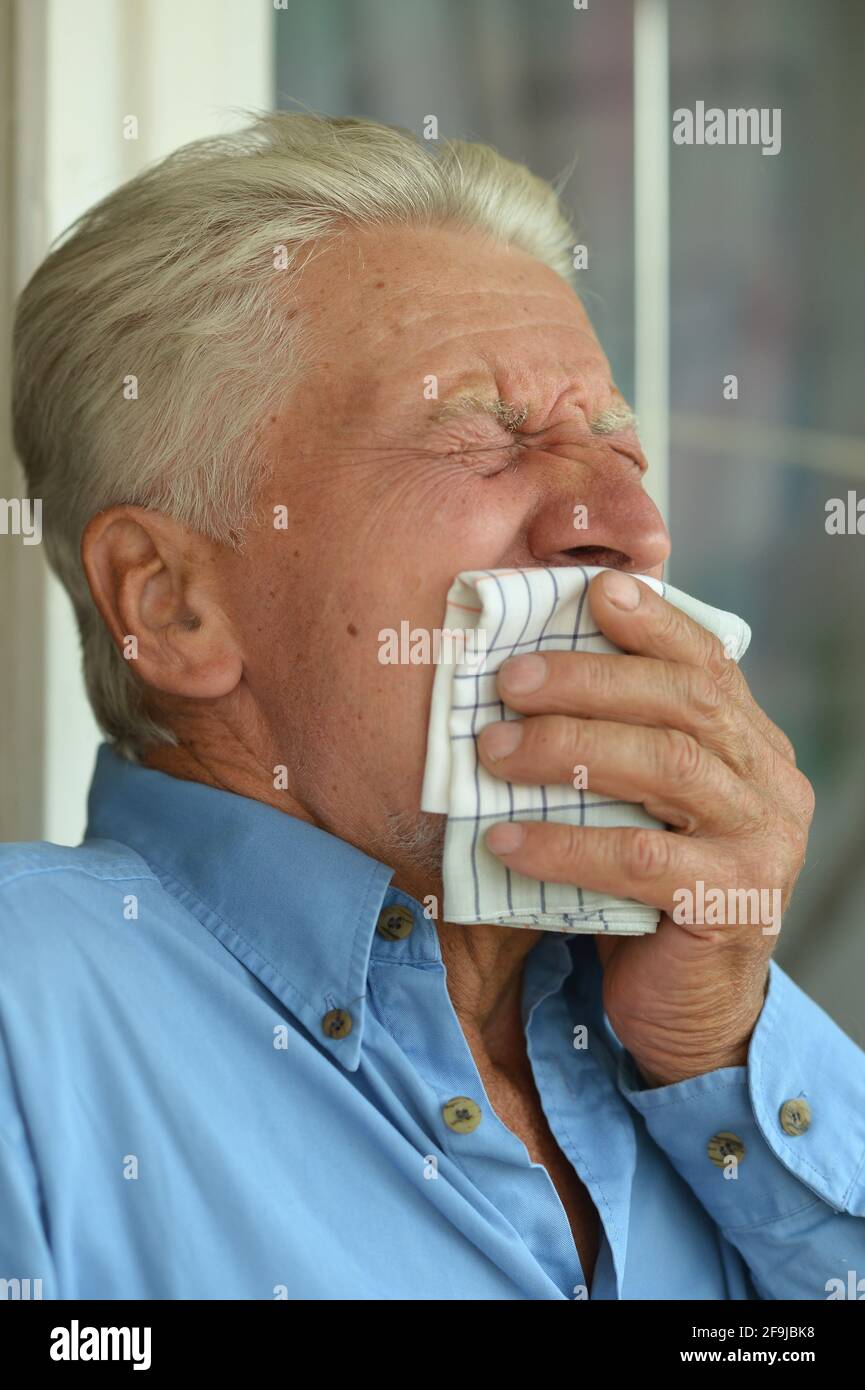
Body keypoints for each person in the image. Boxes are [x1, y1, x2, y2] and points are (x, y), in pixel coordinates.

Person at [3, 113, 862, 1300]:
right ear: (175, 602)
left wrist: (725, 1043)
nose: (630, 529)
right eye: (488, 438)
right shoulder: (26, 1014)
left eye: (618, 444)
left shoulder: (687, 1023)